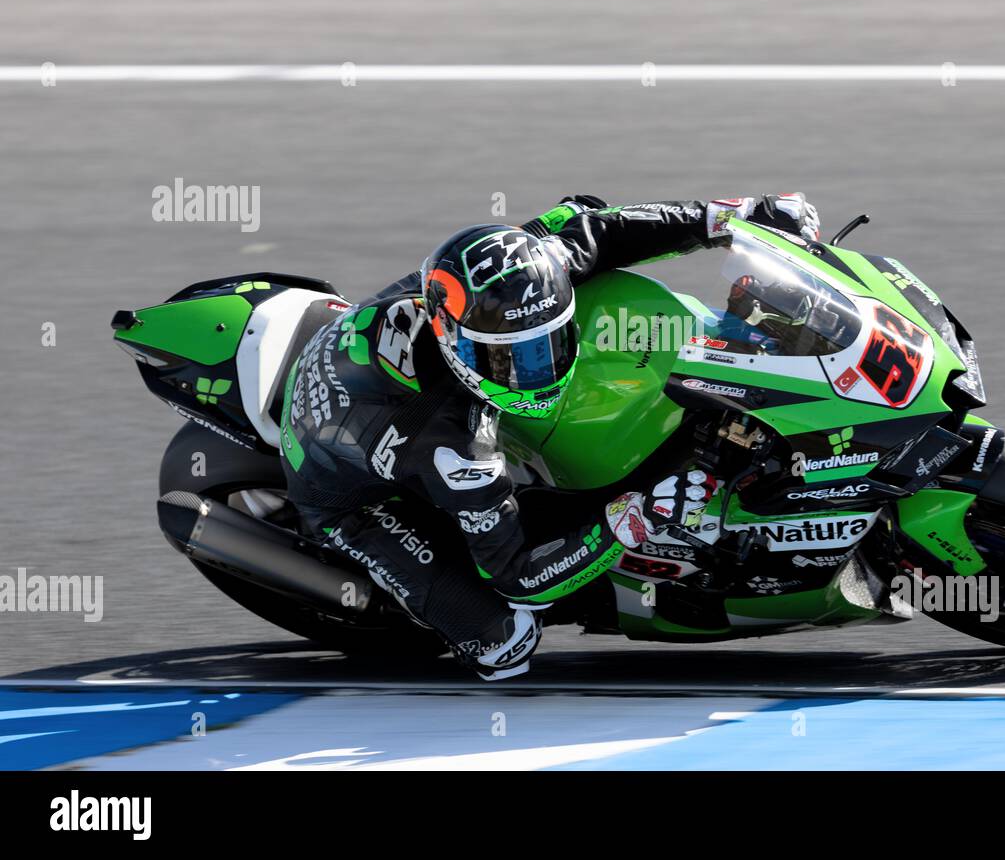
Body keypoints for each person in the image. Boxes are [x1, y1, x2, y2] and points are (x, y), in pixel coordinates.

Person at [278, 193, 820, 679]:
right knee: (505, 645)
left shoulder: (520, 276)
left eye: (548, 342)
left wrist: (735, 218)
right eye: (507, 358)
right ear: (455, 343)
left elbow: (602, 228)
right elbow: (517, 576)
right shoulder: (453, 448)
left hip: (363, 378)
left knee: (581, 207)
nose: (534, 371)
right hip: (340, 491)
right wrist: (633, 518)